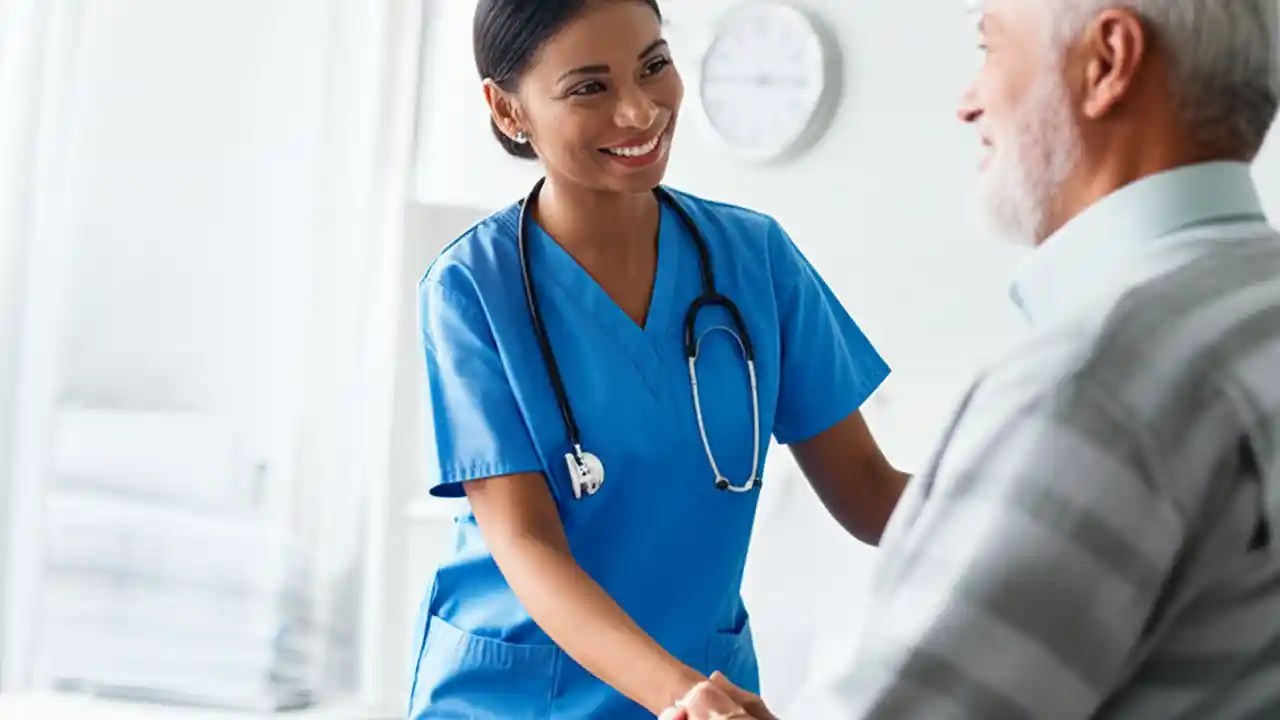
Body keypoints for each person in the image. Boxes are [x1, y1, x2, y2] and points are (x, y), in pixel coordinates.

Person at [671, 0, 1280, 717]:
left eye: (988, 47)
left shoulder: (1092, 382)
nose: (966, 104)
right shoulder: (1252, 305)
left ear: (1107, 61)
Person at [406, 1, 908, 717]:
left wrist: (1038, 513)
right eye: (590, 87)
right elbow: (525, 543)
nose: (640, 112)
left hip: (707, 691)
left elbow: (865, 487)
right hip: (520, 698)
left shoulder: (756, 261)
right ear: (508, 110)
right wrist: (684, 697)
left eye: (653, 66)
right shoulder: (470, 290)